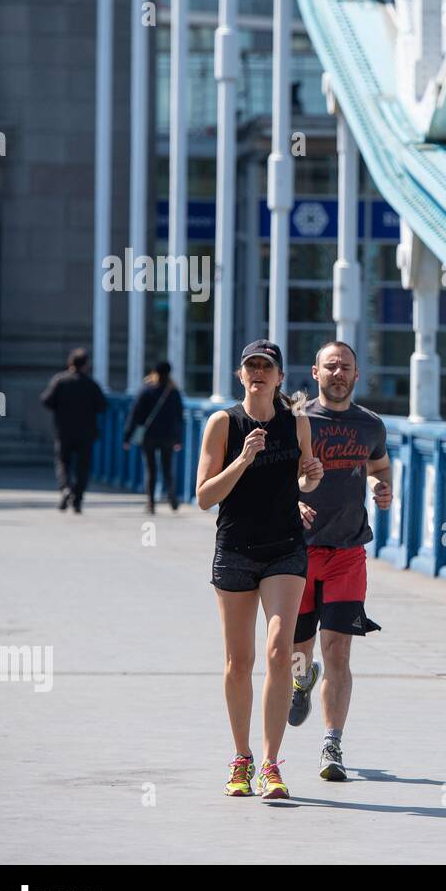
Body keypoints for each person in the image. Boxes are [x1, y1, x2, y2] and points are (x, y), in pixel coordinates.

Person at [196, 340, 324, 800]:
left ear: (279, 378)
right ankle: (240, 757)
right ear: (240, 375)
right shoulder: (224, 423)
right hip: (234, 549)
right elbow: (205, 495)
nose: (257, 374)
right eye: (250, 367)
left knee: (277, 653)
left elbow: (304, 478)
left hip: (285, 549)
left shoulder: (297, 421)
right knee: (238, 662)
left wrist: (312, 477)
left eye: (265, 368)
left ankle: (271, 763)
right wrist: (244, 458)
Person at [286, 340, 391, 782]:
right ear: (315, 372)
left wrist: (383, 488)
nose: (338, 373)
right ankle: (299, 679)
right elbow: (274, 475)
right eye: (330, 366)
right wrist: (292, 501)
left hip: (348, 552)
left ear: (356, 375)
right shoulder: (297, 419)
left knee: (339, 651)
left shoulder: (370, 425)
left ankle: (332, 744)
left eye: (345, 367)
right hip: (298, 552)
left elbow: (381, 466)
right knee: (298, 648)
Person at [40, 347, 108, 514]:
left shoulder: (60, 381)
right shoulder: (91, 384)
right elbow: (102, 405)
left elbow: (46, 401)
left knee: (62, 462)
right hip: (86, 432)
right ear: (85, 365)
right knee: (83, 466)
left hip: (64, 430)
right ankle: (77, 500)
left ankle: (65, 489)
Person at [122, 360, 185, 513]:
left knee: (150, 469)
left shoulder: (146, 390)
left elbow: (135, 415)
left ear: (154, 372)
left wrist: (127, 436)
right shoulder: (173, 392)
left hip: (149, 435)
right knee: (167, 468)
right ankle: (172, 497)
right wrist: (178, 438)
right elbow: (179, 417)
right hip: (168, 436)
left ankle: (150, 503)